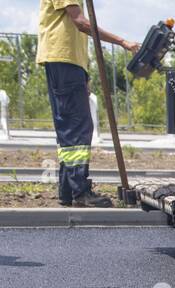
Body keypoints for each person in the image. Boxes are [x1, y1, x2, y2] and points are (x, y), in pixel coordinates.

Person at [35, 1, 138, 207]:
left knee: (70, 128)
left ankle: (68, 190)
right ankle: (80, 192)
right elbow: (80, 23)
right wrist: (122, 42)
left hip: (67, 63)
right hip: (63, 61)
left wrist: (84, 75)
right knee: (78, 128)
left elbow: (75, 33)